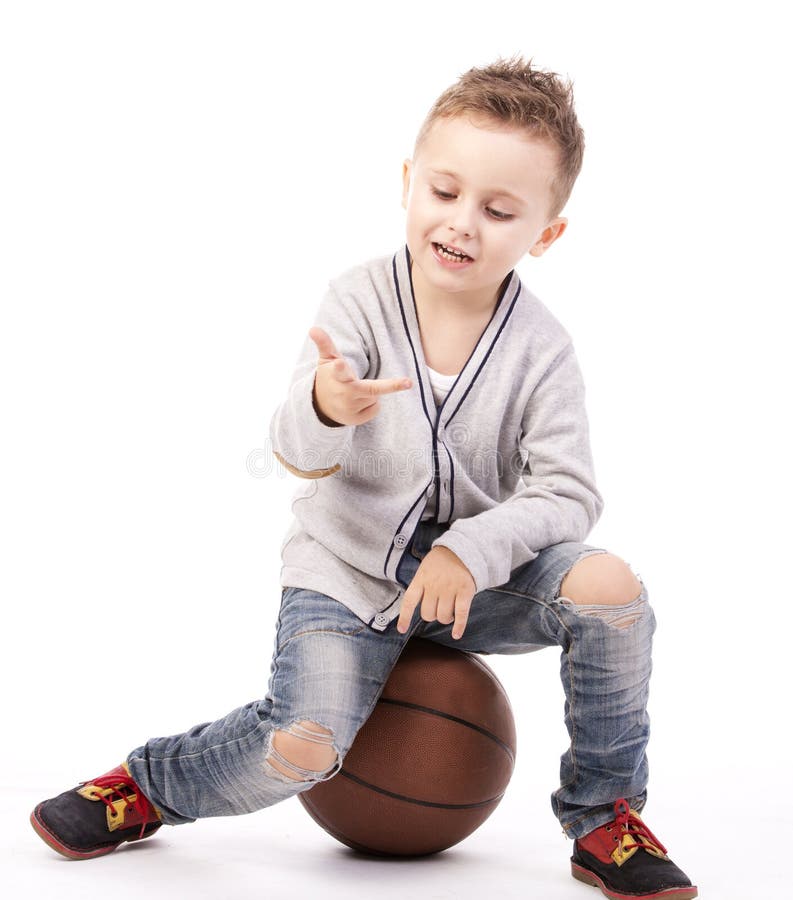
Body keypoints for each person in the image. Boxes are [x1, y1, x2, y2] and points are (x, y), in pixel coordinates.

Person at [30, 55, 697, 899]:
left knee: (610, 590)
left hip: (470, 584)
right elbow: (294, 452)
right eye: (445, 192)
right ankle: (153, 783)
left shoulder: (543, 349)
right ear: (408, 182)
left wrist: (469, 550)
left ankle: (604, 816)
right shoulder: (356, 301)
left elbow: (567, 493)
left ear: (545, 234)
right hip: (345, 575)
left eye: (498, 211)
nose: (462, 223)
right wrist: (324, 404)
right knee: (300, 746)